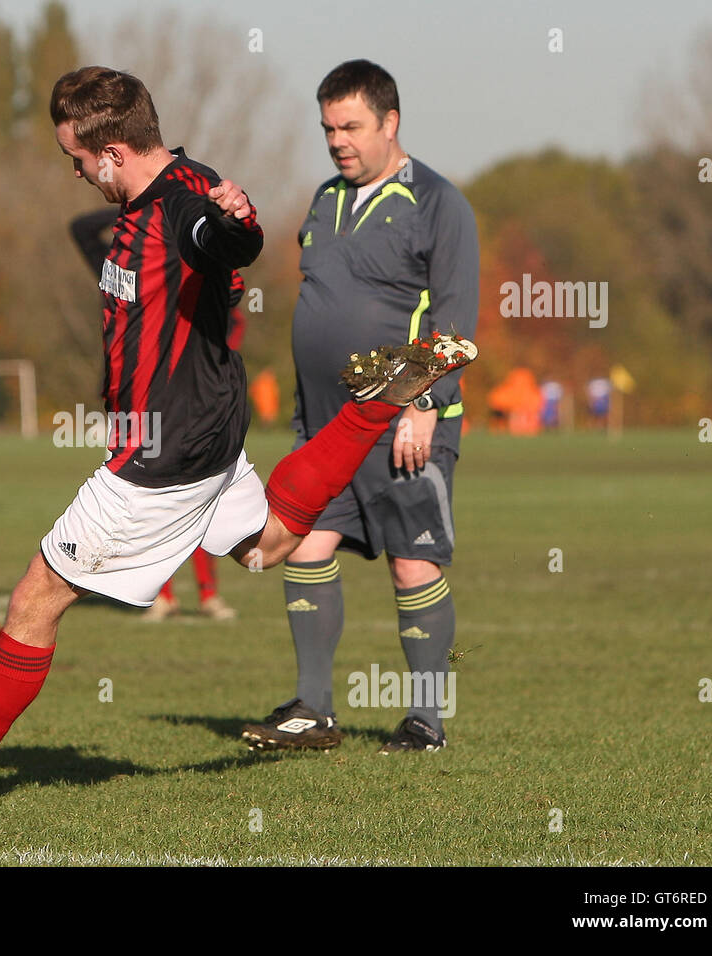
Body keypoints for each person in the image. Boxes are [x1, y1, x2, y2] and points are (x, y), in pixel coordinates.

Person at [0, 66, 477, 802]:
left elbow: (225, 238)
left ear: (114, 152)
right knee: (272, 544)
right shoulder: (177, 183)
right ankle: (373, 407)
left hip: (161, 457)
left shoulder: (182, 205)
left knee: (36, 596)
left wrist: (239, 223)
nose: (79, 173)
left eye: (80, 160)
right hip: (209, 439)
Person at [240, 60, 480, 756]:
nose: (338, 140)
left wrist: (427, 405)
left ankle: (425, 722)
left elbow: (456, 325)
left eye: (351, 126)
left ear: (390, 123)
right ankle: (313, 710)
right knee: (304, 547)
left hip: (405, 425)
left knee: (413, 564)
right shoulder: (323, 198)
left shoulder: (438, 203)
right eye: (328, 128)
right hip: (323, 427)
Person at [69, 206, 242, 622]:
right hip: (130, 398)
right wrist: (136, 204)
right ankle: (159, 593)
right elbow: (80, 227)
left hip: (189, 401)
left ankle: (207, 593)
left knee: (198, 493)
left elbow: (231, 302)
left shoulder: (188, 271)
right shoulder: (117, 264)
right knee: (143, 495)